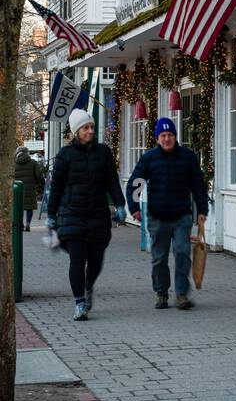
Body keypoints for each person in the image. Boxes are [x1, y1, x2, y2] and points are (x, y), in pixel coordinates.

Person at [46, 109, 127, 321]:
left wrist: (120, 204)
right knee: (77, 258)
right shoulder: (65, 155)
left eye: (91, 127)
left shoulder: (104, 152)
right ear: (76, 131)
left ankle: (88, 286)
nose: (90, 131)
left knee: (96, 260)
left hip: (98, 214)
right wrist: (51, 214)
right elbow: (56, 187)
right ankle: (79, 303)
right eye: (85, 128)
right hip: (72, 213)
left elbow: (112, 181)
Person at [126, 117, 208, 310]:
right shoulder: (149, 159)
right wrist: (134, 207)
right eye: (162, 135)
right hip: (157, 217)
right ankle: (161, 292)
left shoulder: (188, 157)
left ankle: (181, 294)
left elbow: (198, 185)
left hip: (182, 216)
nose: (166, 139)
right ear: (157, 138)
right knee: (159, 258)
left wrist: (202, 210)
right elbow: (136, 183)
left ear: (175, 136)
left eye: (170, 135)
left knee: (182, 253)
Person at [14, 145, 46, 231]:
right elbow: (39, 175)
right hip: (30, 188)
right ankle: (28, 223)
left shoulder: (14, 163)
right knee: (29, 207)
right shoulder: (33, 163)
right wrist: (40, 184)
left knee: (18, 207)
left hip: (17, 189)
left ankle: (20, 224)